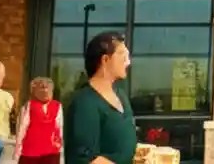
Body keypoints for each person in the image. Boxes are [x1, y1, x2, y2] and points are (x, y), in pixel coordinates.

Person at [65, 31, 137, 164]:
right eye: (122, 55)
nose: (128, 62)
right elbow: (86, 159)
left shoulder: (121, 95)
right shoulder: (85, 102)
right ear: (105, 60)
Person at [17, 76, 64, 164]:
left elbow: (60, 127)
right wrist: (18, 148)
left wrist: (59, 145)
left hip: (51, 151)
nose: (45, 90)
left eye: (47, 88)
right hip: (31, 151)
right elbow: (22, 128)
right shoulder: (29, 106)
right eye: (42, 87)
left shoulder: (57, 106)